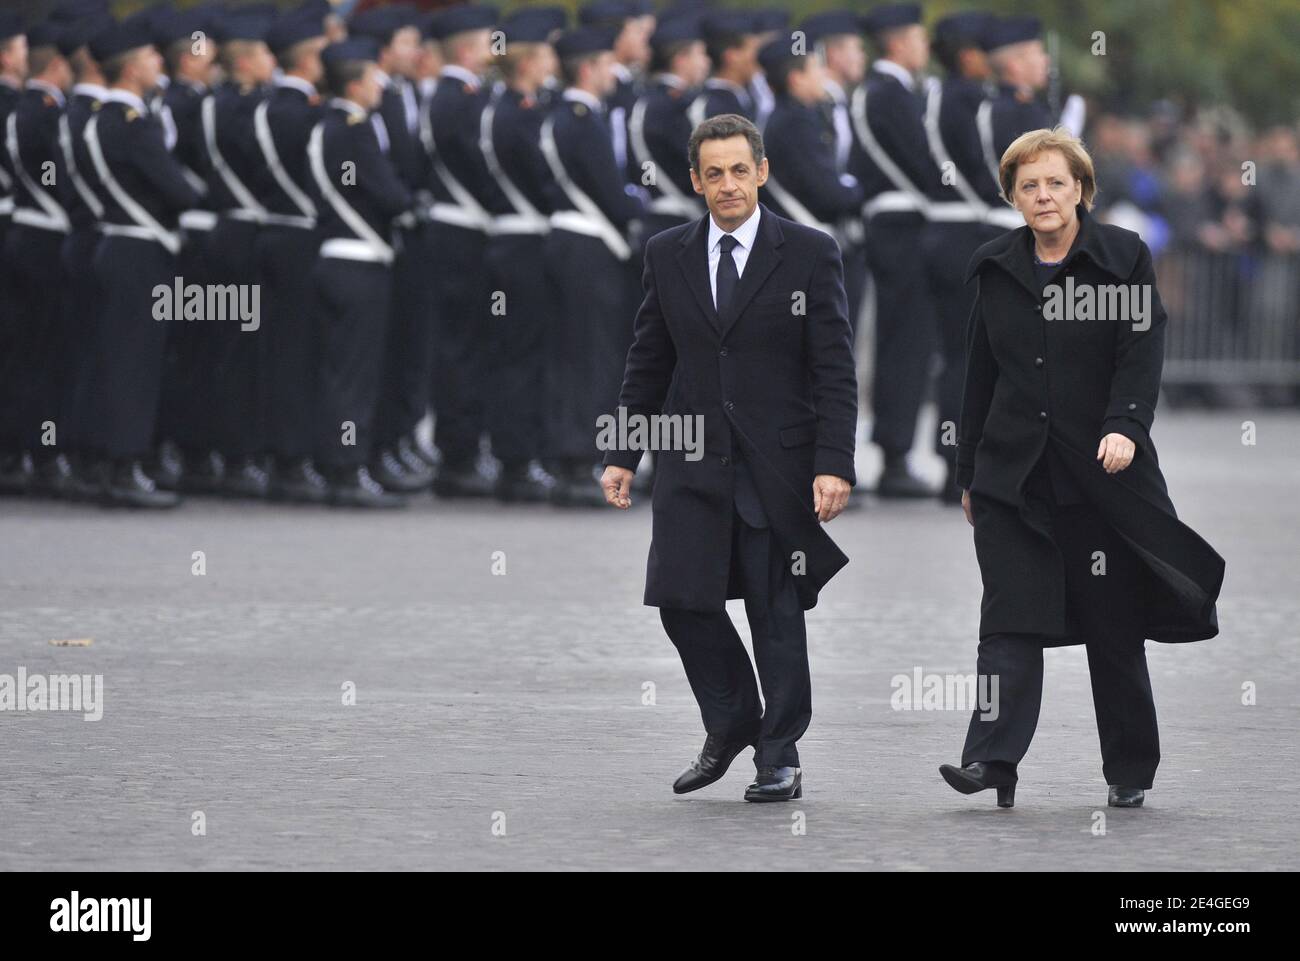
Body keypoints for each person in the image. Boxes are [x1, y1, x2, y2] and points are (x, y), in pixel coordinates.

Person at [940, 127, 1225, 808]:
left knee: (1112, 626)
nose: (1043, 196)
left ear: (1081, 189)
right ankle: (991, 762)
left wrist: (1126, 424)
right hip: (1013, 476)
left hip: (1100, 475)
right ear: (1012, 195)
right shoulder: (995, 264)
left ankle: (1129, 767)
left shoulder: (1121, 256)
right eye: (1028, 185)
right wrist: (968, 470)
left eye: (1055, 183)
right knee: (1007, 619)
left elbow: (1140, 350)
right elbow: (978, 375)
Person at [601, 114, 858, 802]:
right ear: (695, 181)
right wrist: (622, 450)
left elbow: (834, 365)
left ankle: (780, 753)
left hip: (776, 463)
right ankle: (735, 718)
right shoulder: (667, 252)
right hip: (691, 458)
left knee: (776, 612)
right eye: (713, 173)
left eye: (739, 170)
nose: (727, 185)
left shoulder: (808, 251)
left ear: (762, 172)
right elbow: (648, 358)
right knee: (681, 600)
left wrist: (834, 461)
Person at [306, 37, 412, 508]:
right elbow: (389, 195)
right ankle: (348, 472)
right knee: (356, 376)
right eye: (373, 78)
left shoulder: (324, 125)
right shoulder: (355, 129)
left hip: (333, 256)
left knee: (337, 373)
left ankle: (336, 465)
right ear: (353, 84)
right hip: (360, 261)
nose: (380, 87)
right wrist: (412, 203)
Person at [542, 26, 642, 507]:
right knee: (592, 358)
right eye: (605, 64)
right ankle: (581, 460)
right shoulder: (583, 120)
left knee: (573, 355)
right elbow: (613, 195)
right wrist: (638, 202)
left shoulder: (563, 115)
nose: (612, 73)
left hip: (568, 242)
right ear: (587, 68)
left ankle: (570, 458)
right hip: (589, 245)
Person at [851, 2, 940, 498]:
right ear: (898, 42)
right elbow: (923, 159)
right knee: (902, 343)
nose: (923, 47)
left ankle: (896, 450)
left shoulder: (895, 92)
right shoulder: (889, 95)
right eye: (917, 37)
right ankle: (895, 454)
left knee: (905, 342)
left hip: (899, 225)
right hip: (900, 227)